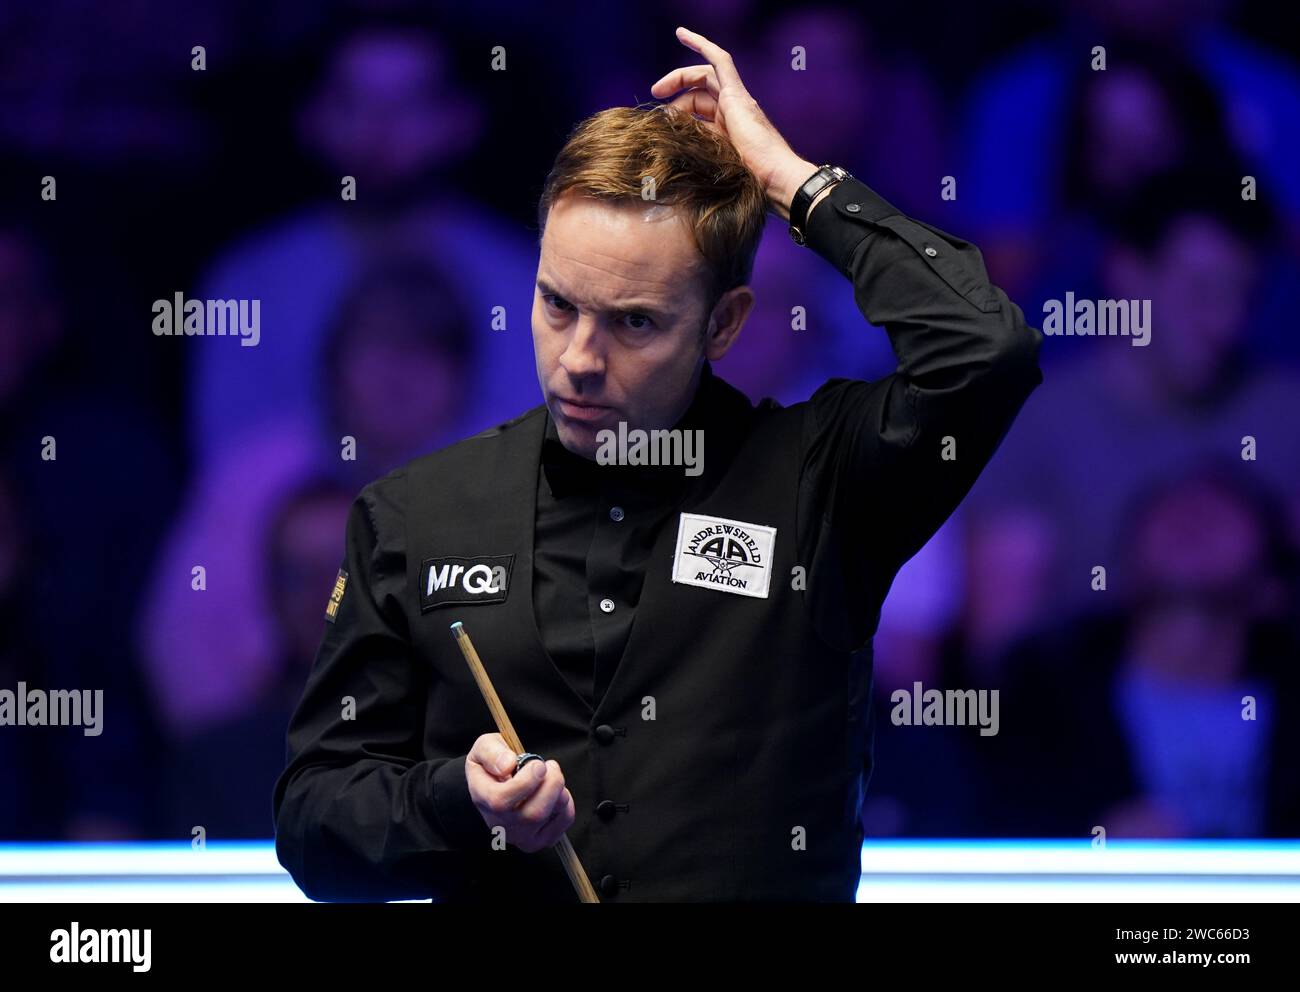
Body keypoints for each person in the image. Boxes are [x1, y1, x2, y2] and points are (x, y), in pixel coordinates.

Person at [273, 26, 1043, 902]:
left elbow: (987, 350)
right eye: (557, 305)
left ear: (725, 324)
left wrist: (789, 178)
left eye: (634, 322)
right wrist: (456, 800)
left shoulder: (823, 482)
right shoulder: (413, 514)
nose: (579, 359)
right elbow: (313, 824)